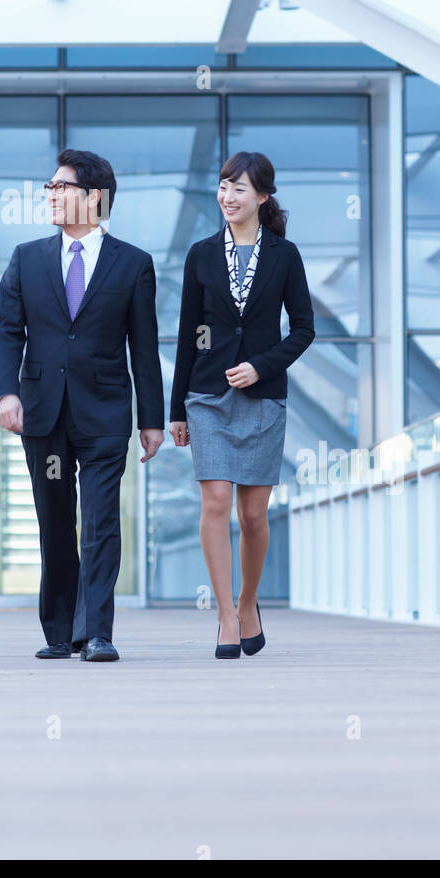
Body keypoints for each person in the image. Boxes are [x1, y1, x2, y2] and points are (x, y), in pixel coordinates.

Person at [0, 149, 164, 662]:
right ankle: (60, 631)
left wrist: (151, 420)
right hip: (44, 411)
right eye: (49, 188)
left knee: (100, 520)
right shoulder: (27, 257)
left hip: (106, 413)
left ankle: (97, 632)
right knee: (54, 518)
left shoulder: (133, 264)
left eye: (60, 187)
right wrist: (7, 392)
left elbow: (144, 347)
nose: (51, 195)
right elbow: (6, 330)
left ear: (94, 198)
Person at [168, 151, 314, 659]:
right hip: (207, 396)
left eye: (240, 189)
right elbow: (188, 334)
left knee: (253, 515)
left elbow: (303, 328)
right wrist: (176, 410)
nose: (228, 197)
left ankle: (249, 603)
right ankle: (226, 615)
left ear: (263, 197)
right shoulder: (200, 254)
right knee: (214, 503)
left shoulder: (284, 255)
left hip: (262, 396)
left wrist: (263, 365)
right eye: (224, 186)